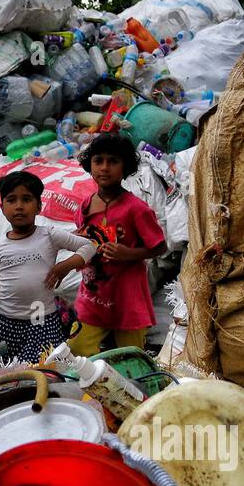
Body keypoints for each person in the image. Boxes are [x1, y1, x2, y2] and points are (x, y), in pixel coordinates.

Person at [0, 170, 99, 363]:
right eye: (11, 200)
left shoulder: (49, 235)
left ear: (38, 206)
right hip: (5, 322)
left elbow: (88, 246)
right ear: (2, 207)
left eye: (26, 199)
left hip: (41, 322)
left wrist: (65, 266)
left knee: (36, 367)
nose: (19, 206)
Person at [66, 133, 167, 356]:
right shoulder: (86, 204)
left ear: (125, 167)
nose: (104, 167)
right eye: (98, 160)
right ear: (89, 165)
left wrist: (128, 253)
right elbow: (85, 236)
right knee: (78, 350)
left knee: (130, 357)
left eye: (113, 161)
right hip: (93, 295)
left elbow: (160, 247)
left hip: (127, 297)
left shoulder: (136, 209)